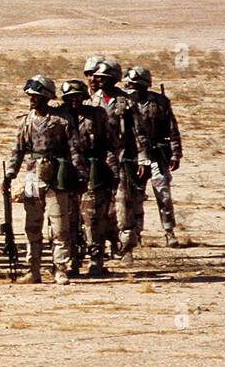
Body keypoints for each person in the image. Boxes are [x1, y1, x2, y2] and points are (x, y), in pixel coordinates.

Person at [4, 75, 87, 284]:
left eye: (37, 96)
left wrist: (81, 175)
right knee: (32, 225)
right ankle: (34, 269)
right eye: (31, 96)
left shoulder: (62, 120)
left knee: (60, 226)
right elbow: (18, 150)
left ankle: (60, 268)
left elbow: (74, 149)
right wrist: (9, 175)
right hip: (32, 177)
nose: (33, 99)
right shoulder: (25, 121)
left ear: (47, 97)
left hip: (57, 178)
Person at [88, 58, 145, 262]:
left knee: (123, 205)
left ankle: (127, 247)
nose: (99, 80)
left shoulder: (127, 102)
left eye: (104, 77)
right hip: (100, 161)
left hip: (123, 159)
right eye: (98, 77)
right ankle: (108, 245)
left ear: (113, 78)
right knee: (101, 206)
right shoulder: (92, 101)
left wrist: (143, 158)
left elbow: (139, 132)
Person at [59, 79, 116, 276]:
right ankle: (72, 260)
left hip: (93, 171)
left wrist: (113, 172)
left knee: (93, 219)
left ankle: (96, 260)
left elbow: (110, 144)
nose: (74, 101)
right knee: (68, 219)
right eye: (70, 98)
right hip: (66, 174)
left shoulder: (97, 115)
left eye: (78, 97)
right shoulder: (59, 116)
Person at [122, 65, 183, 248]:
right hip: (134, 156)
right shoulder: (124, 103)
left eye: (134, 84)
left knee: (163, 193)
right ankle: (137, 233)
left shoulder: (160, 102)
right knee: (135, 195)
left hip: (157, 155)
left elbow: (172, 129)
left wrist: (175, 153)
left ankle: (169, 231)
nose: (130, 88)